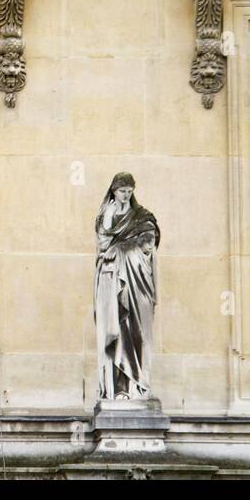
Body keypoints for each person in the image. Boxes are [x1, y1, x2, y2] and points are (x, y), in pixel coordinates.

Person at [93, 172, 159, 401]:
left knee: (134, 331)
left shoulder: (142, 217)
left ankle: (136, 384)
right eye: (122, 191)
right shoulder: (106, 216)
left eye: (129, 191)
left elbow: (149, 241)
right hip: (112, 282)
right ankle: (119, 387)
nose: (126, 195)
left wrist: (120, 249)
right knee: (115, 330)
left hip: (136, 282)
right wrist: (109, 215)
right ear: (113, 191)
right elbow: (103, 245)